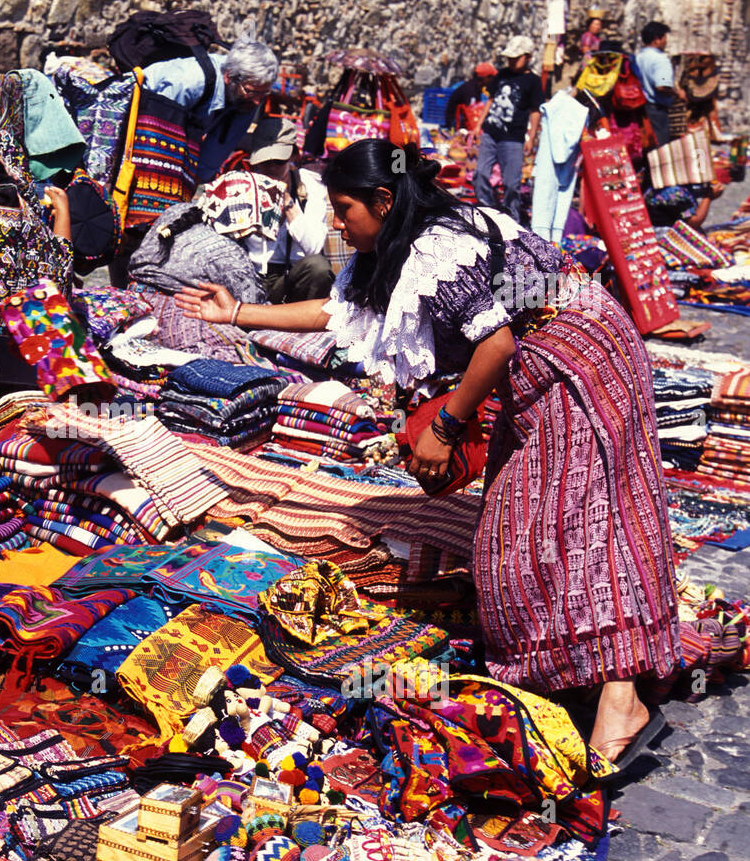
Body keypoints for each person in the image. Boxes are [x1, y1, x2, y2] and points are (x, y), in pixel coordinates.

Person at [175, 139, 680, 765]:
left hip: (577, 359)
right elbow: (341, 313)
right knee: (522, 527)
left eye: (343, 208)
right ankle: (593, 671)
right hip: (538, 370)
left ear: (383, 201)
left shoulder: (439, 248)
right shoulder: (395, 246)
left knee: (575, 521)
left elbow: (494, 343)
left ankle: (620, 696)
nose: (335, 221)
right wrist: (240, 314)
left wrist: (445, 426)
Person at [141, 39, 278, 183]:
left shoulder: (249, 98)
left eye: (264, 93)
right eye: (251, 92)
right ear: (228, 77)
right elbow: (154, 139)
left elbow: (214, 155)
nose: (257, 101)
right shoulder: (190, 83)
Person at [240, 117, 334, 302]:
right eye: (265, 162)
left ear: (294, 156)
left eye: (279, 161)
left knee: (319, 268)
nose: (272, 169)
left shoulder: (310, 186)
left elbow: (314, 247)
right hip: (251, 276)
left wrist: (288, 204)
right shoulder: (243, 186)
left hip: (293, 277)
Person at [475, 35, 544, 219]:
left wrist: (531, 137)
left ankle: (512, 219)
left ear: (528, 57)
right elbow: (491, 99)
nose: (512, 62)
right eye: (510, 58)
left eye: (516, 58)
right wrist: (479, 125)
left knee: (512, 184)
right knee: (481, 173)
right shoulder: (503, 74)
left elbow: (535, 110)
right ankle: (486, 212)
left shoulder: (533, 81)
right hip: (491, 132)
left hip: (513, 138)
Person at [634, 21, 683, 148]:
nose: (666, 42)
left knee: (645, 144)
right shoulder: (660, 59)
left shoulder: (639, 57)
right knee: (660, 146)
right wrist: (678, 93)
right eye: (665, 38)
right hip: (656, 109)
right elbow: (662, 85)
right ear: (657, 39)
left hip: (641, 107)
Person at [444, 62, 496, 131]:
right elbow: (470, 113)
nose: (493, 80)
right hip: (456, 123)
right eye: (491, 77)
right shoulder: (470, 90)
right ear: (485, 78)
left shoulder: (476, 87)